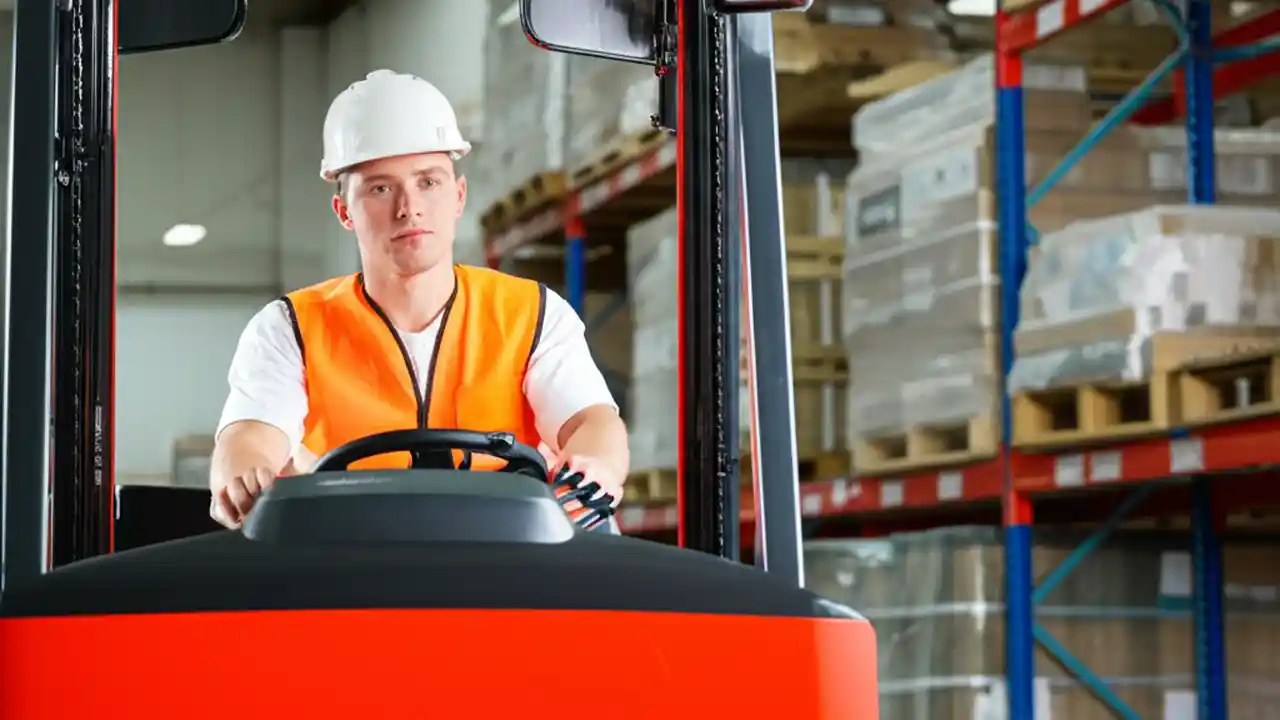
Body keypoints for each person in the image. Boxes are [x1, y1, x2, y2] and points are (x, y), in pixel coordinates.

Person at [208, 69, 628, 530]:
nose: (409, 207)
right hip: (347, 559)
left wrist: (596, 463)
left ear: (458, 195)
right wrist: (244, 475)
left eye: (428, 182)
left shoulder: (531, 314)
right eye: (381, 188)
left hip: (509, 554)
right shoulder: (291, 327)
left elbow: (591, 420)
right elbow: (249, 436)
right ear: (344, 211)